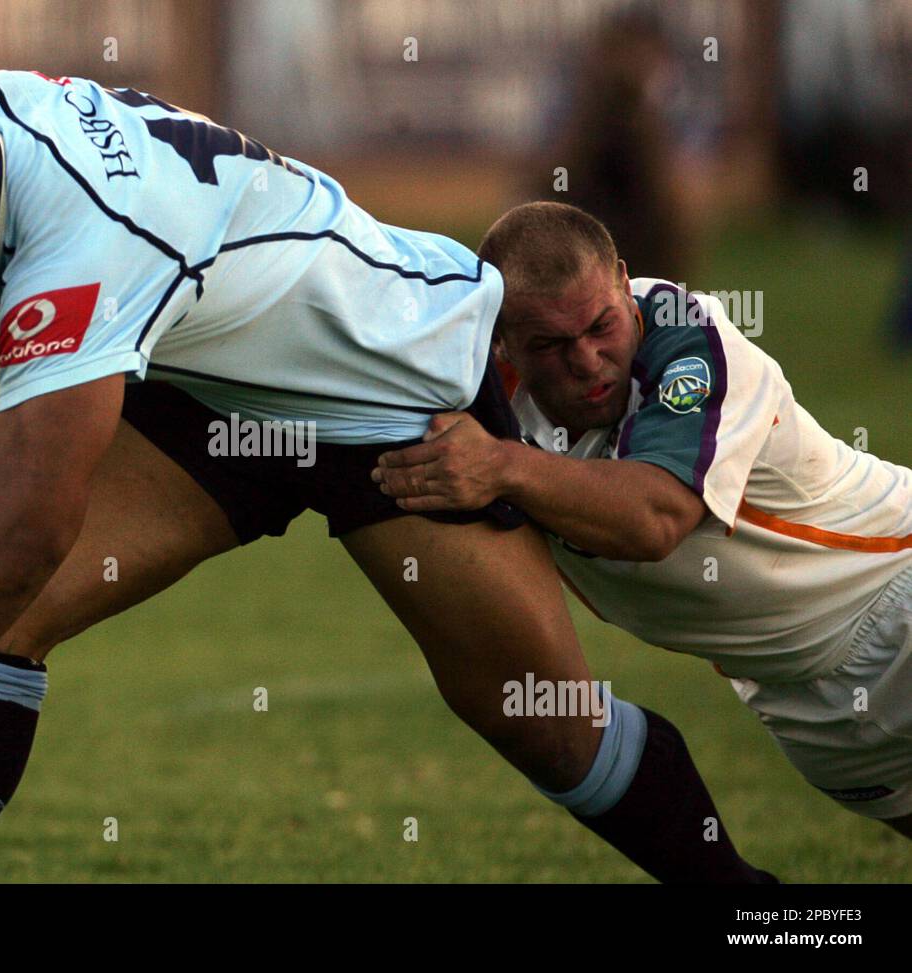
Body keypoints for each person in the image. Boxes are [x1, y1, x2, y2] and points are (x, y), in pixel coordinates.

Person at [0, 73, 773, 883]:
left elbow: (27, 525)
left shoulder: (81, 255)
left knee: (546, 721)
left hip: (393, 390)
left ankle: (748, 907)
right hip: (213, 376)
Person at [374, 201, 912, 837]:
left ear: (624, 283)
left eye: (602, 326)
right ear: (502, 338)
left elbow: (653, 520)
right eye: (549, 344)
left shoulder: (689, 335)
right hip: (790, 688)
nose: (586, 360)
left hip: (896, 595)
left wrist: (500, 466)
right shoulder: (481, 391)